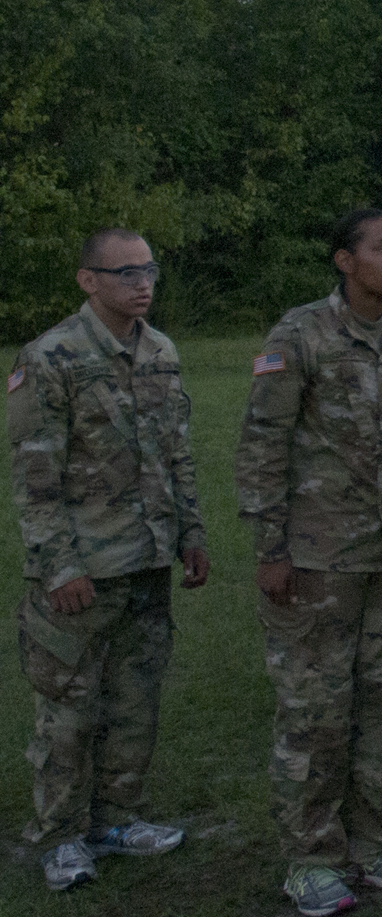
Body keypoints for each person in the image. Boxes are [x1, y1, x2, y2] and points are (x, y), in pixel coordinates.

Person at [236, 209, 382, 915]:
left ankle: (371, 841)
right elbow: (262, 444)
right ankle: (310, 856)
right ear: (344, 260)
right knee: (316, 707)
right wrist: (270, 547)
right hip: (320, 557)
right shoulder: (299, 335)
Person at [9, 229, 208, 892]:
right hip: (82, 568)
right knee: (69, 709)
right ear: (87, 280)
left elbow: (177, 452)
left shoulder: (161, 351)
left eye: (149, 269)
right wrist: (58, 565)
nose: (142, 282)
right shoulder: (52, 355)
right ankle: (60, 837)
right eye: (124, 272)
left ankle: (116, 818)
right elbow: (36, 474)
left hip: (146, 560)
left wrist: (192, 533)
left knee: (134, 702)